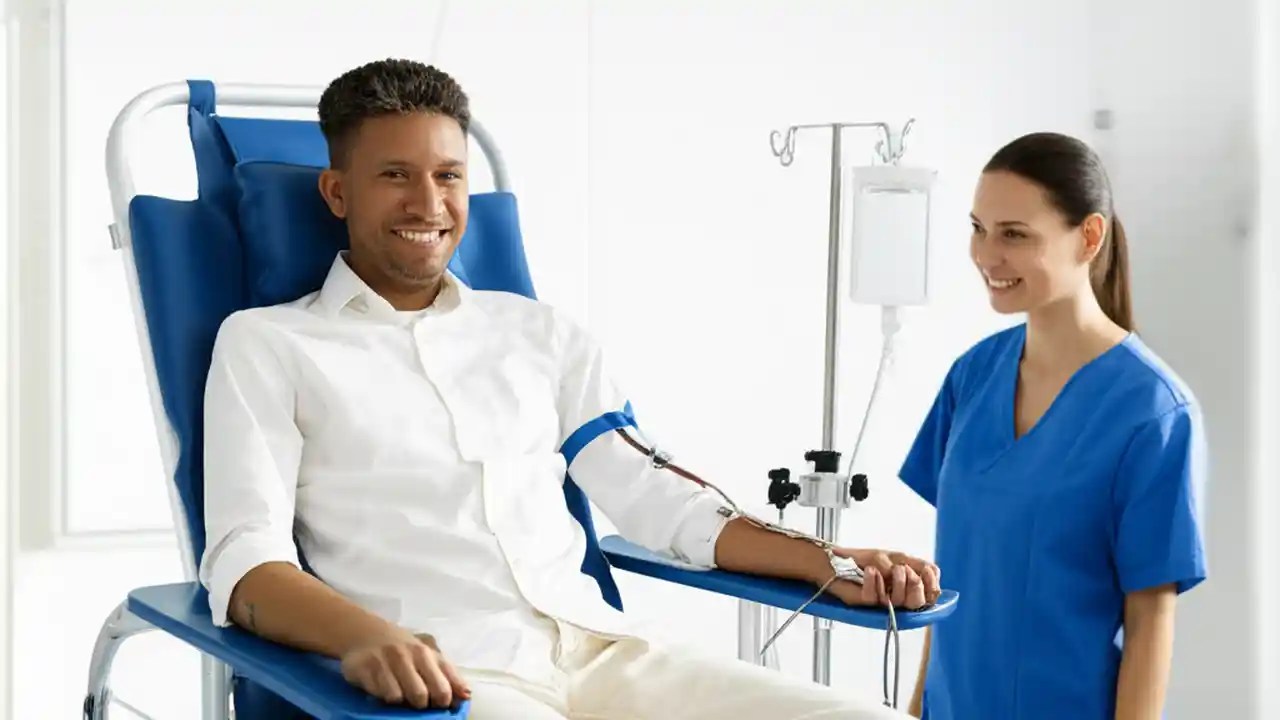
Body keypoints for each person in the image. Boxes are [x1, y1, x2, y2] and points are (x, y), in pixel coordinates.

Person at [199, 58, 941, 720]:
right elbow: (244, 560)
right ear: (336, 192)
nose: (428, 204)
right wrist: (367, 638)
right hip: (453, 675)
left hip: (606, 652)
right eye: (395, 175)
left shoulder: (537, 334)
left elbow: (660, 498)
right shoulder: (268, 344)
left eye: (449, 175)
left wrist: (830, 561)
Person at [900, 132, 1209, 719]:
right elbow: (952, 573)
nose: (986, 255)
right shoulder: (972, 377)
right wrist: (914, 712)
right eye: (978, 228)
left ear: (1088, 237)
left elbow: (1150, 620)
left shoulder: (1154, 412)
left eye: (1014, 234)